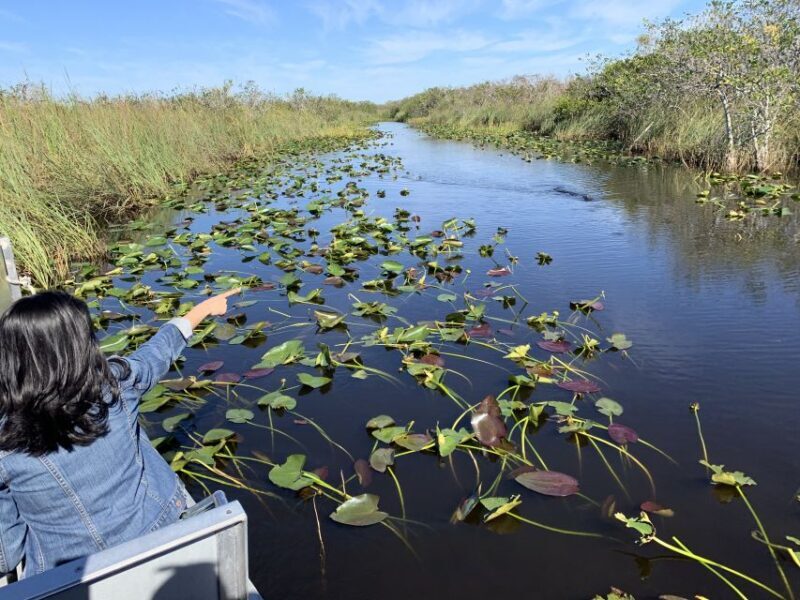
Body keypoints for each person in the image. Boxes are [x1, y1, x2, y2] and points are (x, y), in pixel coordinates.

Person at [0, 288, 239, 577]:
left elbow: (8, 554)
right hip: (160, 537)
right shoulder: (115, 388)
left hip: (67, 580)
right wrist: (202, 310)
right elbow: (156, 354)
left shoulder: (5, 443)